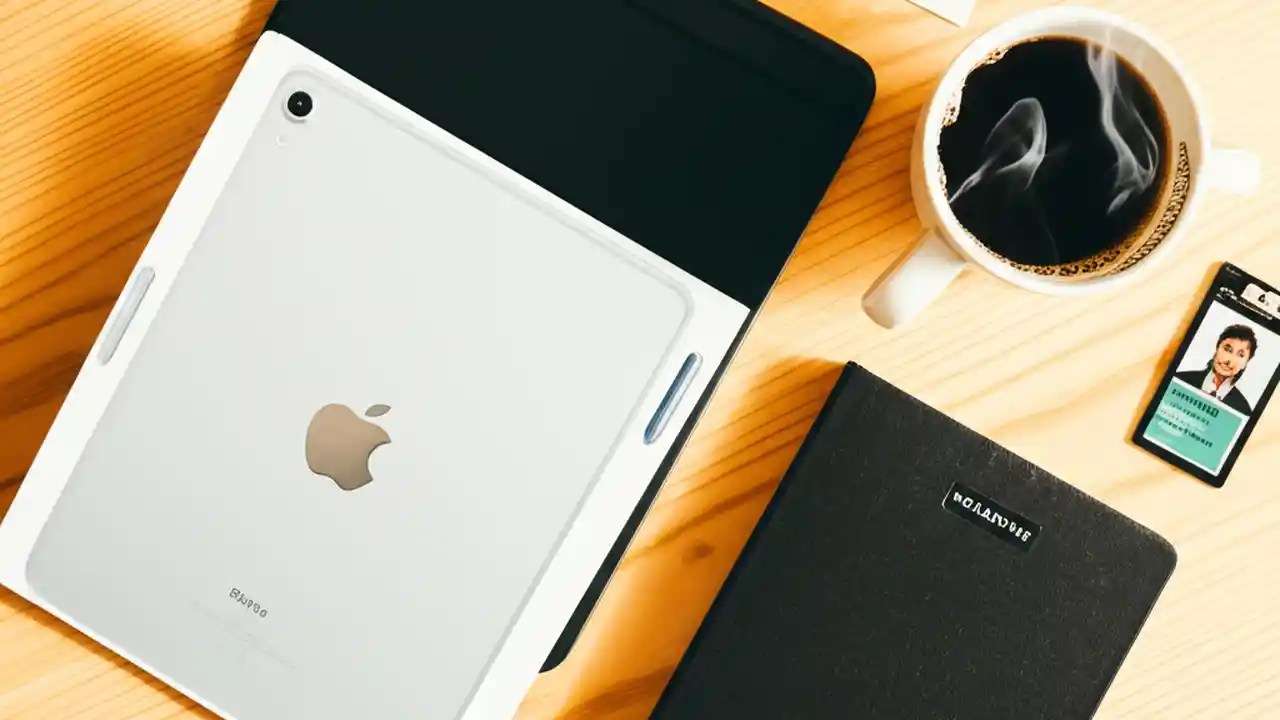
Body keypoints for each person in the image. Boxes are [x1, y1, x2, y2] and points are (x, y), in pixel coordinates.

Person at [1176, 324, 1258, 415]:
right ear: (1217, 349)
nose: (1229, 361)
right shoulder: (1179, 380)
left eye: (1240, 355)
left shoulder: (1243, 410)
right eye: (1227, 349)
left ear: (1246, 363)